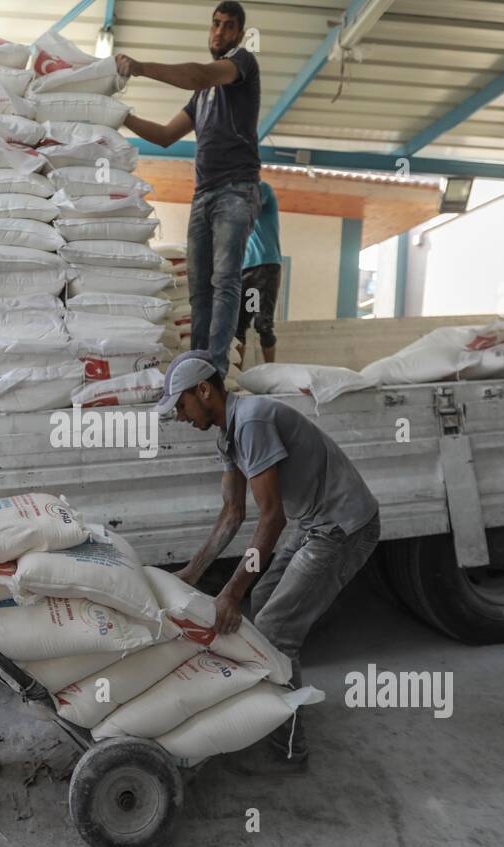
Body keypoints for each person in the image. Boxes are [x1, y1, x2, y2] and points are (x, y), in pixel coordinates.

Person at [155, 350, 382, 767]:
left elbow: (272, 517)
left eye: (182, 404)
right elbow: (233, 514)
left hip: (342, 527)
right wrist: (193, 571)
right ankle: (279, 710)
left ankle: (290, 744)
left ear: (204, 390)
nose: (181, 417)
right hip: (314, 524)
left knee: (277, 626)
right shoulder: (228, 434)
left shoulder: (254, 420)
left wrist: (230, 592)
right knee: (264, 605)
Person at [116, 0, 260, 376]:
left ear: (239, 34)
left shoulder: (241, 64)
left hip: (236, 190)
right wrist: (121, 116)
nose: (219, 31)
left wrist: (143, 68)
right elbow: (165, 136)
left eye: (228, 26)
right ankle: (198, 364)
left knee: (225, 279)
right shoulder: (202, 98)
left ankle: (214, 367)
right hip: (204, 194)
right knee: (198, 288)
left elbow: (199, 74)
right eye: (215, 24)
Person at [238, 180, 281, 363]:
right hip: (246, 270)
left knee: (263, 324)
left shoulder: (262, 189)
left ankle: (271, 373)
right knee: (239, 327)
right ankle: (236, 379)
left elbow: (251, 206)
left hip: (265, 268)